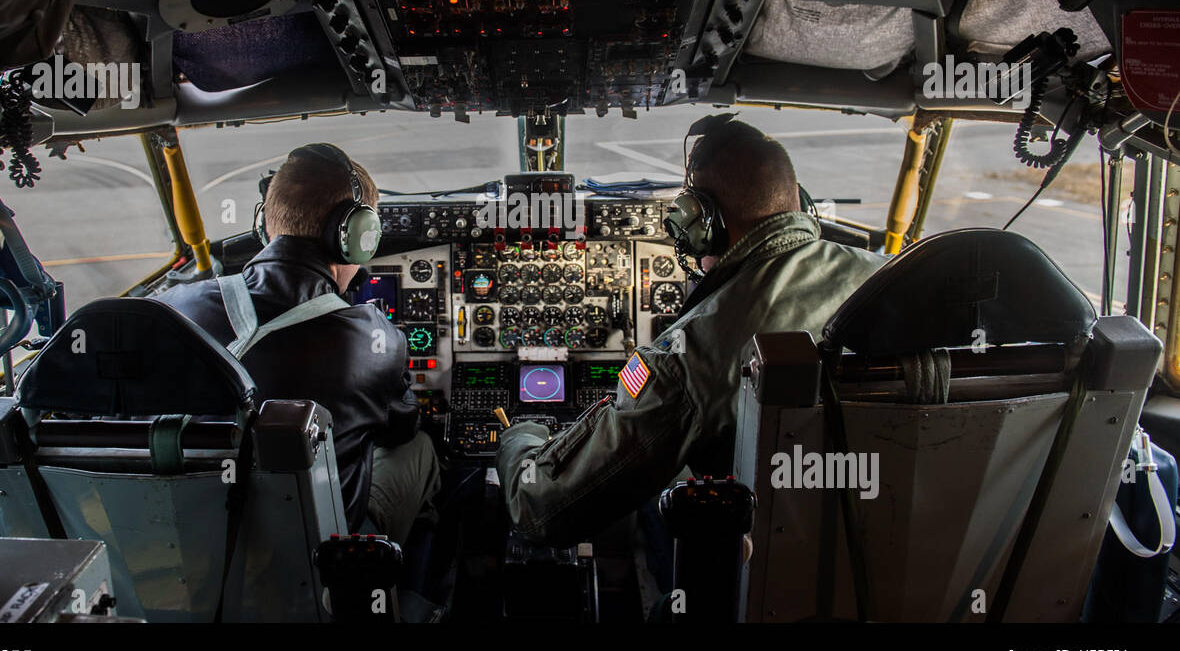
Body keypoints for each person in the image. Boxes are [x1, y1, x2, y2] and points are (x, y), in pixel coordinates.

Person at [496, 114, 886, 545]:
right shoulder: (890, 275)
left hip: (756, 565)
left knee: (652, 474)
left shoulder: (689, 358)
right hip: (884, 539)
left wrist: (523, 435)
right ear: (798, 203)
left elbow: (540, 512)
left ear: (704, 225)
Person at [159, 143, 440, 541]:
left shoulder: (170, 308)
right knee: (420, 448)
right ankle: (410, 567)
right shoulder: (374, 340)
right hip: (313, 549)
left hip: (183, 542)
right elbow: (402, 425)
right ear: (358, 238)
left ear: (263, 226)